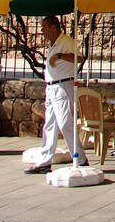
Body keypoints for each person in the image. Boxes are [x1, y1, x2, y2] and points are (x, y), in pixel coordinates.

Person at [25, 16, 84, 173]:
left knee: (65, 123)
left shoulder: (66, 42)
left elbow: (80, 57)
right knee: (50, 124)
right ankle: (45, 161)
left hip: (63, 86)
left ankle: (81, 158)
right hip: (52, 87)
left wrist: (60, 56)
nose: (42, 31)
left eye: (44, 27)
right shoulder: (54, 44)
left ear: (53, 27)